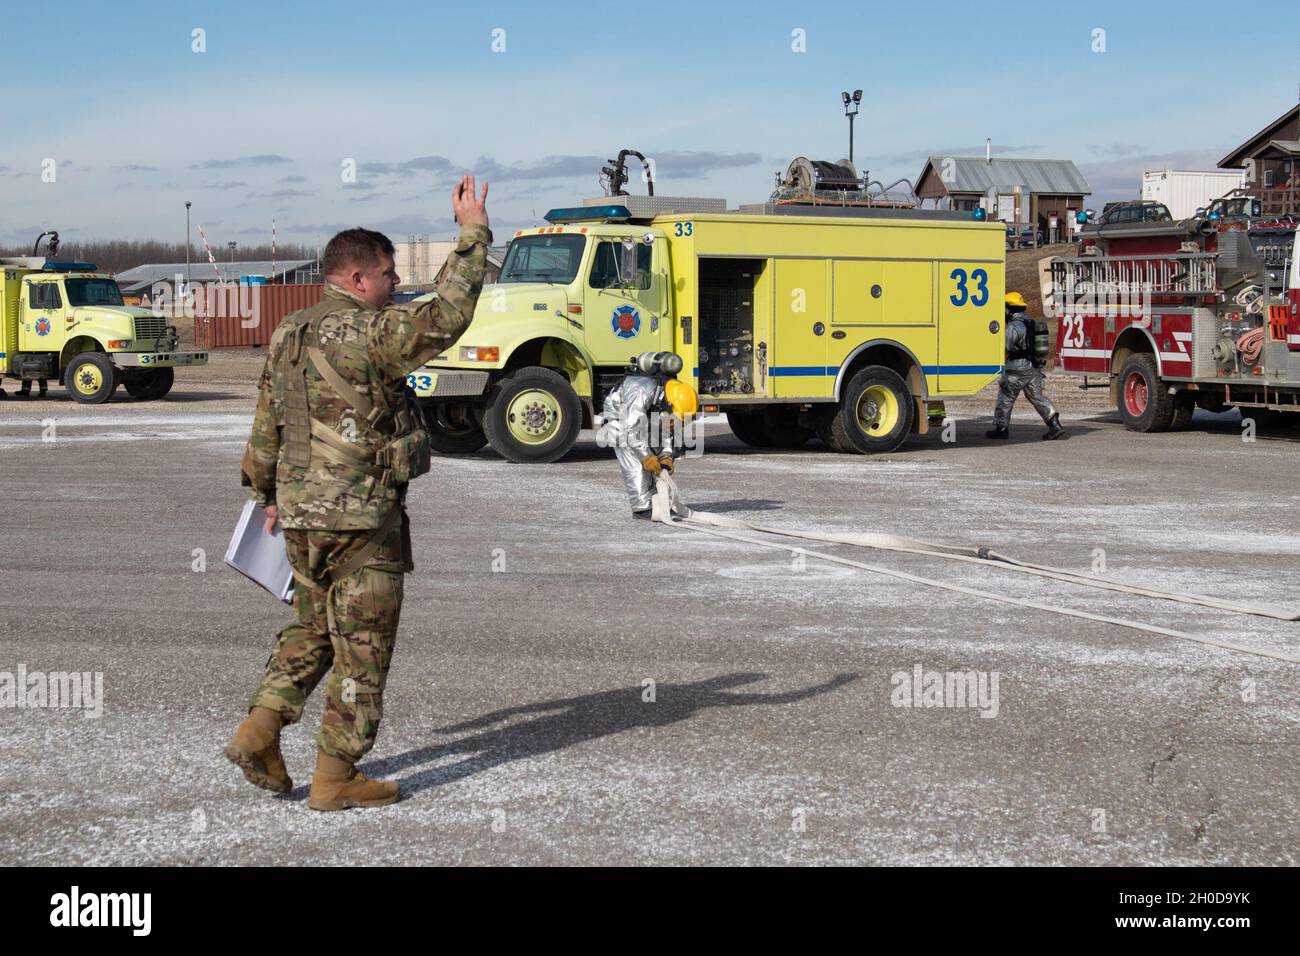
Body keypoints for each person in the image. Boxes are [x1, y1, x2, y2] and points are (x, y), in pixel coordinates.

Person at [225, 176, 491, 811]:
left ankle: (259, 728)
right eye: (389, 273)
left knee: (312, 629)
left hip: (299, 521)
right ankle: (335, 777)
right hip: (362, 523)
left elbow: (267, 426)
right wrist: (473, 232)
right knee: (362, 652)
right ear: (358, 278)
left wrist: (266, 494)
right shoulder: (371, 333)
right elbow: (448, 314)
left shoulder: (289, 333)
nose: (396, 283)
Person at [599, 351, 696, 518]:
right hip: (621, 421)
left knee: (655, 454)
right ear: (670, 404)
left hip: (645, 419)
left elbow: (668, 428)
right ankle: (642, 507)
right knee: (635, 462)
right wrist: (646, 457)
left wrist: (666, 455)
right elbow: (630, 429)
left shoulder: (670, 393)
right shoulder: (641, 390)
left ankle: (658, 502)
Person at [986, 291, 1064, 441]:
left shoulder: (1014, 327)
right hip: (1033, 368)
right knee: (1037, 397)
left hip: (1016, 368)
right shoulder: (1030, 322)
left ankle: (1001, 428)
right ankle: (1055, 425)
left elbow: (1005, 347)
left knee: (1006, 396)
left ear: (1009, 308)